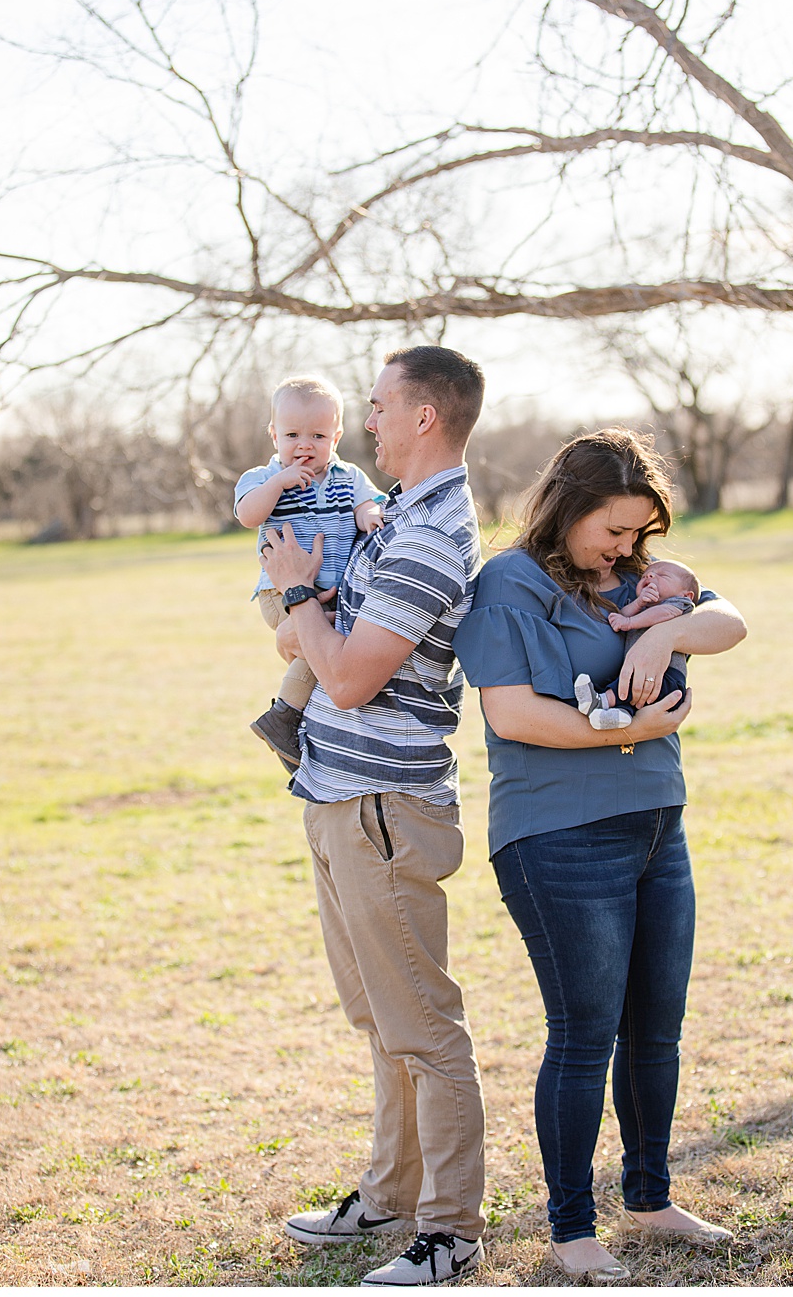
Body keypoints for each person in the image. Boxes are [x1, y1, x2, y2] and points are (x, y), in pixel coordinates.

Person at [452, 429, 748, 1284]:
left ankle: (650, 1200)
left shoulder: (647, 581)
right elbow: (512, 717)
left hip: (659, 823)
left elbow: (731, 621)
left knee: (656, 1027)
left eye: (640, 532)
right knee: (586, 1034)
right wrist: (631, 726)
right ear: (570, 507)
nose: (627, 547)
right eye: (613, 530)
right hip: (559, 837)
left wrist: (663, 635)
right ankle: (573, 1228)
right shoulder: (510, 583)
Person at [263, 345, 491, 1287]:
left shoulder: (432, 532)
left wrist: (294, 592)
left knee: (423, 1025)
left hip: (383, 809)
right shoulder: (392, 514)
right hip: (334, 795)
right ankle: (390, 1195)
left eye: (380, 406)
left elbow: (352, 676)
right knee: (378, 1016)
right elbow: (311, 643)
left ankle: (450, 1229)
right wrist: (305, 612)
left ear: (425, 417)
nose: (367, 421)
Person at [234, 374, 384, 772]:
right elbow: (249, 515)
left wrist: (366, 512)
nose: (304, 445)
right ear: (274, 436)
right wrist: (279, 483)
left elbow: (369, 503)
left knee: (332, 647)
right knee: (325, 645)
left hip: (333, 589)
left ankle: (292, 721)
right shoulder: (263, 478)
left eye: (317, 436)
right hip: (280, 591)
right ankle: (285, 717)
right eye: (292, 435)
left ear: (336, 437)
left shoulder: (348, 477)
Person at [572, 558, 701, 730]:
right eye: (646, 575)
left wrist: (630, 622)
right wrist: (638, 603)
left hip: (667, 677)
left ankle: (602, 701)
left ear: (686, 594)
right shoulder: (643, 608)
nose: (650, 576)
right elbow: (623, 615)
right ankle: (619, 716)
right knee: (628, 687)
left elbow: (661, 614)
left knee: (629, 685)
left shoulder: (681, 605)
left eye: (662, 575)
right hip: (641, 673)